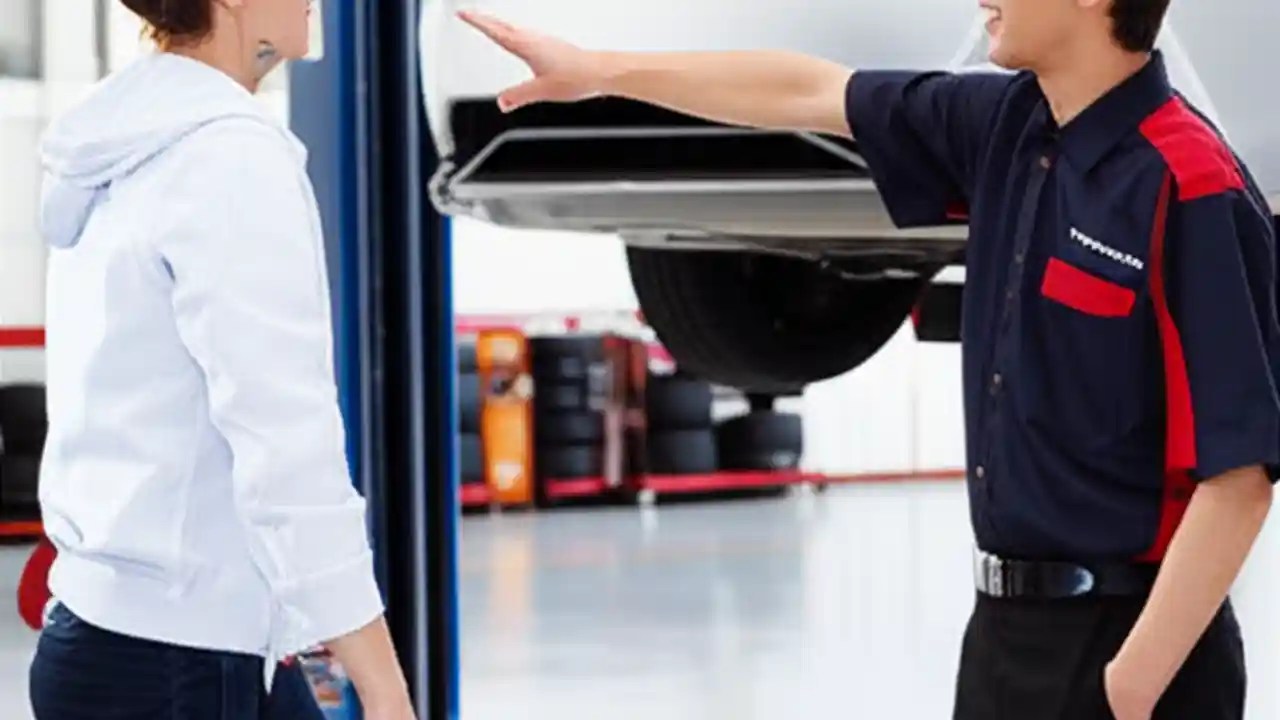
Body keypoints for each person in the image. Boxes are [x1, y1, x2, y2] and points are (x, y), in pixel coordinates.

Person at [458, 1, 1279, 718]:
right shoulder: (1004, 127)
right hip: (1003, 640)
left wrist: (1133, 684)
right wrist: (601, 71)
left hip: (1133, 645)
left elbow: (1239, 475)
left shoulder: (1194, 184)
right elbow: (810, 91)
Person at [29, 1, 415, 718]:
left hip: (104, 638)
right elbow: (285, 445)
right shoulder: (230, 159)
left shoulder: (120, 143)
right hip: (185, 666)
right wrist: (387, 691)